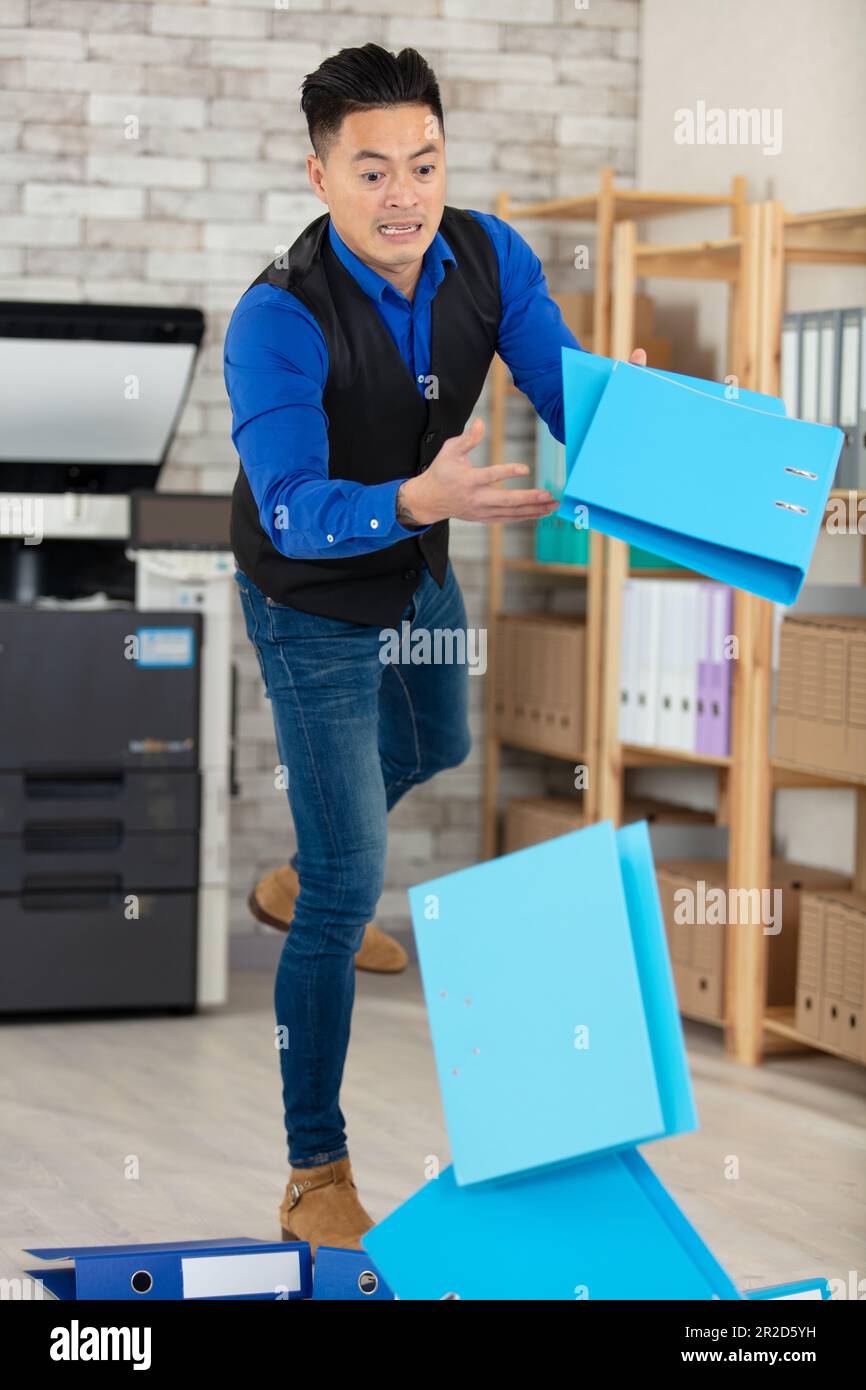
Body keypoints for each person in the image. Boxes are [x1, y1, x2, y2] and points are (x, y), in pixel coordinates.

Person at [224, 42, 645, 1254]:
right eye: (371, 171)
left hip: (416, 558)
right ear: (318, 176)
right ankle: (314, 1167)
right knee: (358, 872)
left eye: (423, 160)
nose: (402, 192)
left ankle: (308, 870)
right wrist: (419, 500)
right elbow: (295, 504)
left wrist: (674, 462)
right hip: (307, 587)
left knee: (440, 738)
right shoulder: (277, 317)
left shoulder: (490, 255)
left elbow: (568, 392)